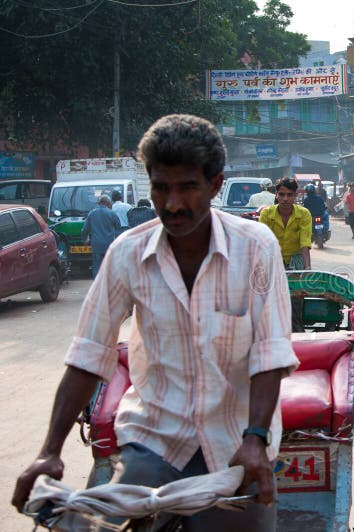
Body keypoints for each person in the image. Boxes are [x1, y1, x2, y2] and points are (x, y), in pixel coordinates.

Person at [13, 114, 298, 531]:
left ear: (216, 185)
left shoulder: (256, 247)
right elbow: (89, 353)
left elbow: (269, 351)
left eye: (187, 188)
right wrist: (49, 450)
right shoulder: (127, 253)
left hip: (237, 441)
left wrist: (256, 439)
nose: (173, 204)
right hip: (155, 438)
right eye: (161, 188)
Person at [260, 178, 312, 333]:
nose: (285, 199)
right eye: (281, 194)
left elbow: (305, 243)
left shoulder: (304, 214)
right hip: (273, 257)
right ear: (276, 195)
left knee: (295, 297)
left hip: (296, 258)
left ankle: (296, 329)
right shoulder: (267, 214)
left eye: (289, 195)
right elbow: (263, 243)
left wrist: (307, 268)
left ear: (295, 196)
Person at [81, 195, 121, 278]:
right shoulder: (112, 213)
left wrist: (84, 240)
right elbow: (118, 227)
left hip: (96, 244)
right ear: (108, 203)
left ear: (99, 203)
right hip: (109, 243)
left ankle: (97, 286)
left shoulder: (92, 213)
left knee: (97, 266)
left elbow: (85, 230)